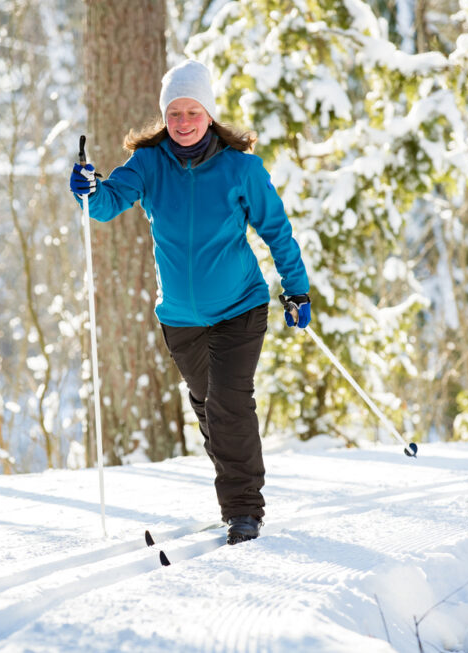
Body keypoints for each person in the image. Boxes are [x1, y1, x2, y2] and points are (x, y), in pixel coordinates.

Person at [69, 59, 311, 545]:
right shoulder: (149, 163)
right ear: (164, 116)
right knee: (207, 405)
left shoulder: (241, 168)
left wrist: (296, 287)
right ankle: (237, 488)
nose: (182, 123)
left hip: (240, 307)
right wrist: (88, 191)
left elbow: (275, 229)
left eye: (192, 112)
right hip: (179, 316)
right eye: (174, 113)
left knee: (228, 403)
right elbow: (107, 204)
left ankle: (243, 510)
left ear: (208, 113)